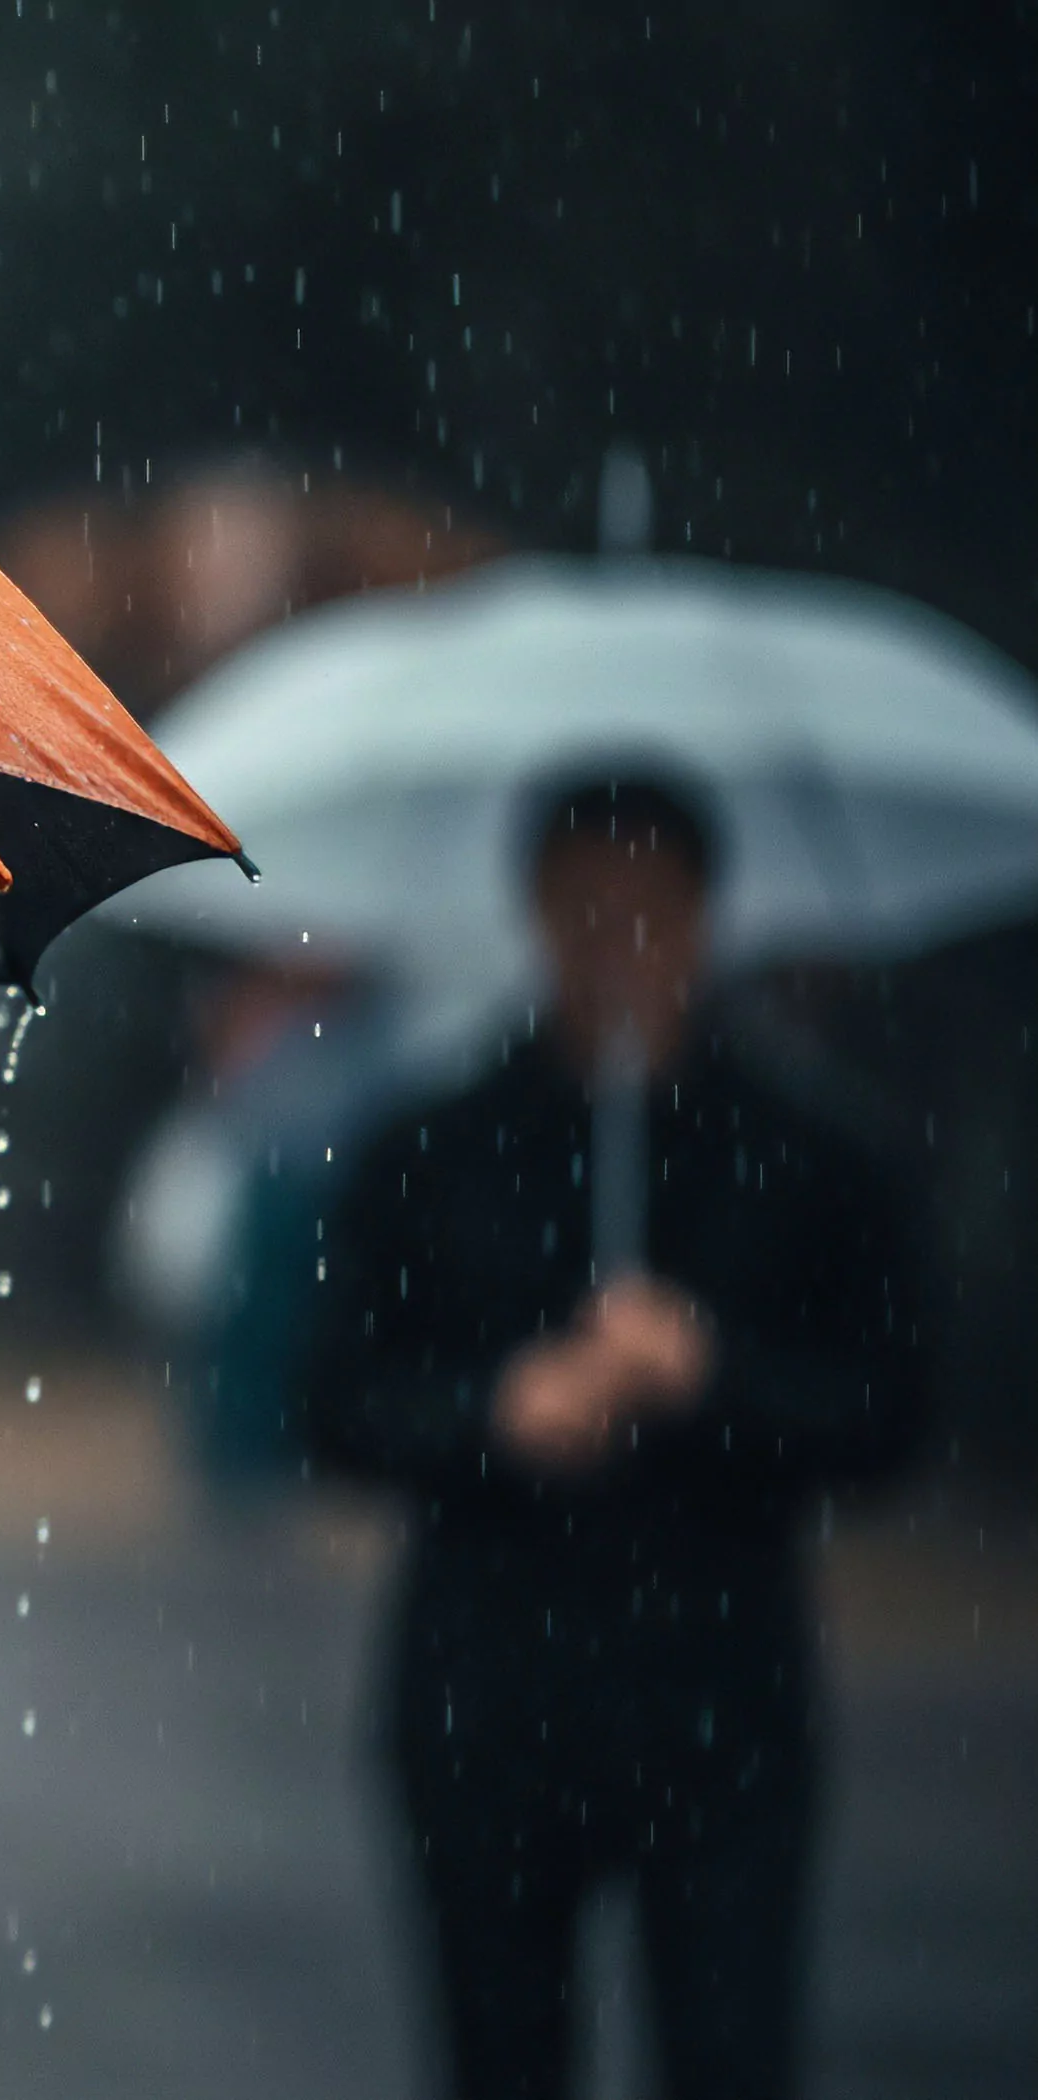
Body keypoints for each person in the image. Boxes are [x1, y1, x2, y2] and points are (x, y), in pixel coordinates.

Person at [302, 777, 928, 2100]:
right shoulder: (429, 1146)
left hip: (721, 1703)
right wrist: (492, 1414)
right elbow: (333, 1402)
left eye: (650, 912)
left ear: (705, 917)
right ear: (535, 912)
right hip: (485, 1699)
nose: (619, 944)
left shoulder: (817, 1153)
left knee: (728, 2050)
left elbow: (888, 1418)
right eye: (587, 911)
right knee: (498, 2053)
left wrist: (713, 1378)